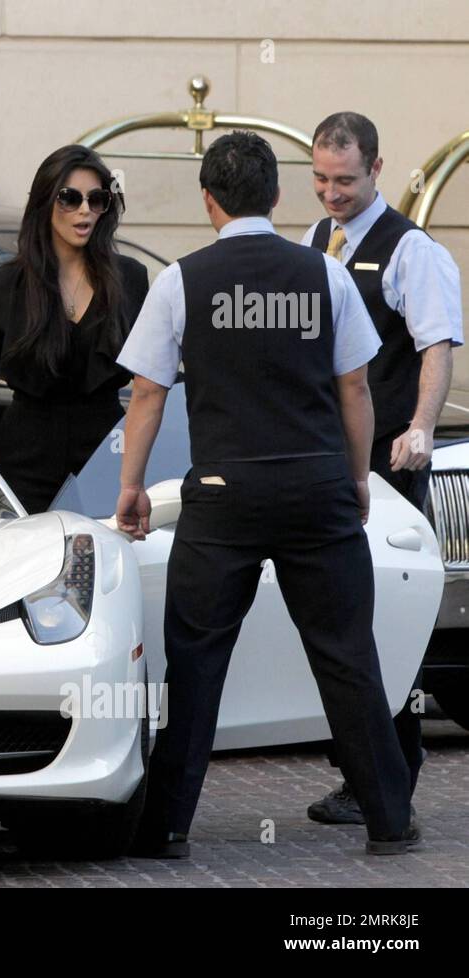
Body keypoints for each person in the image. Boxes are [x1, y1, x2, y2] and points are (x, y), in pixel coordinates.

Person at [114, 131, 419, 858]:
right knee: (347, 656)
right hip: (317, 488)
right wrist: (354, 477)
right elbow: (355, 387)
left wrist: (131, 488)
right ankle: (388, 818)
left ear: (208, 201)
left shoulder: (180, 280)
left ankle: (168, 826)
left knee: (195, 659)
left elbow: (148, 394)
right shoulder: (326, 273)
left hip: (224, 495)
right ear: (278, 196)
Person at [301, 112, 464, 826]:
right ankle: (362, 772)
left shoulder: (412, 251)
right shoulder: (314, 242)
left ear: (376, 169)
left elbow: (436, 345)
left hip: (389, 461)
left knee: (380, 619)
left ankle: (388, 777)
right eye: (320, 180)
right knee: (337, 616)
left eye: (345, 180)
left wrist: (421, 428)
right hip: (328, 459)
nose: (331, 194)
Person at [0, 145, 149, 513]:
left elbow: (153, 370)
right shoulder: (7, 284)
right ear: (45, 202)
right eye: (70, 198)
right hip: (25, 457)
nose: (85, 210)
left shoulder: (129, 279)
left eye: (96, 199)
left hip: (105, 452)